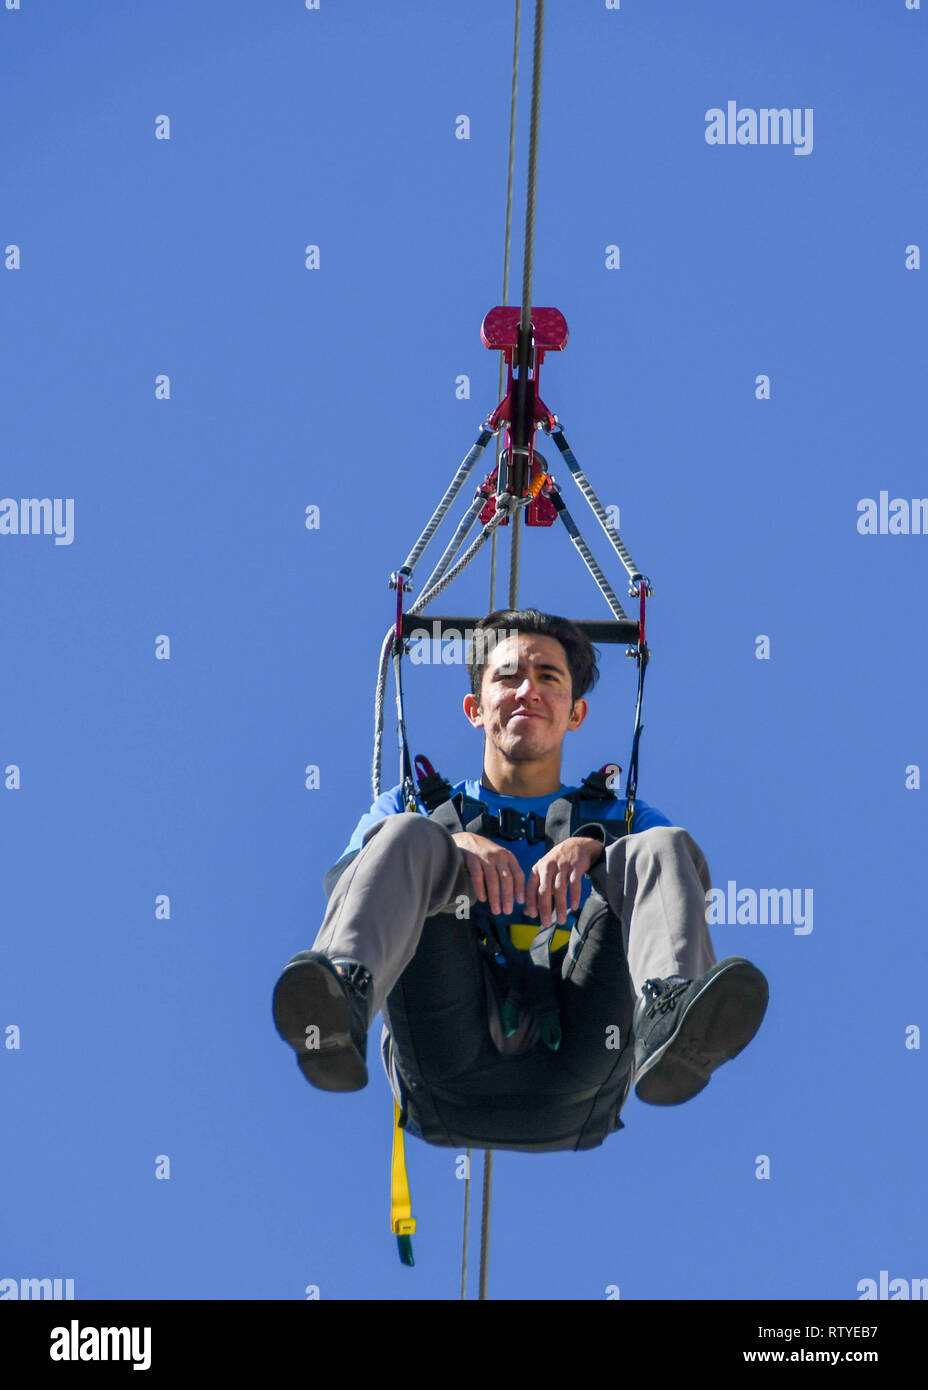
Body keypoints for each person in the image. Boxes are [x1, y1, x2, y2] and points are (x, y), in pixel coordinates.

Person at [272, 609, 768, 1152]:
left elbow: (679, 895)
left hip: (580, 1063)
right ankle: (340, 1004)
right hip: (446, 1056)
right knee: (406, 834)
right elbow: (353, 882)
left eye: (549, 678)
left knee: (661, 846)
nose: (527, 690)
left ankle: (670, 1016)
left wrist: (596, 851)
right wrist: (450, 846)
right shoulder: (410, 806)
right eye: (507, 677)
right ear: (475, 709)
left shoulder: (627, 819)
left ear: (576, 712)